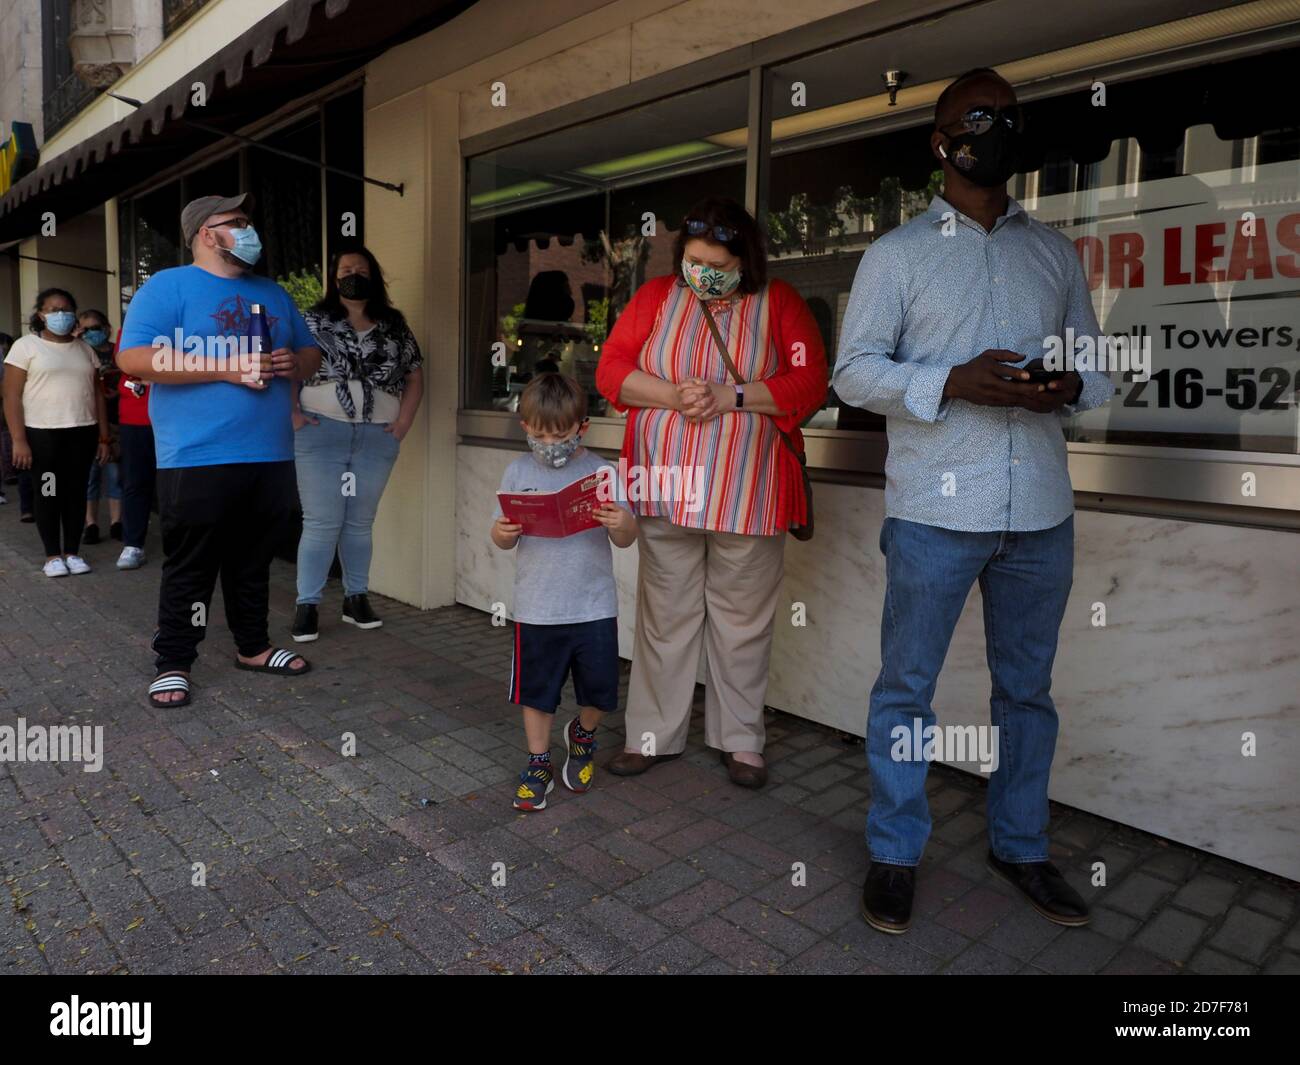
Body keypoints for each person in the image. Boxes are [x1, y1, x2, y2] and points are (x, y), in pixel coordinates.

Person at [833, 68, 1112, 935]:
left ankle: (1020, 843)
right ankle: (895, 848)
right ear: (941, 142)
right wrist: (952, 380)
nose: (992, 130)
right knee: (906, 687)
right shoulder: (897, 255)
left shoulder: (1053, 253)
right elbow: (853, 372)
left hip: (1039, 513)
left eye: (1007, 118)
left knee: (1027, 691)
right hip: (932, 515)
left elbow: (1096, 370)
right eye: (975, 118)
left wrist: (1068, 384)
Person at [595, 196, 827, 789]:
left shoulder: (780, 303)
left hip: (747, 491)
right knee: (664, 619)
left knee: (741, 623)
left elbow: (809, 381)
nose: (702, 271)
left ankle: (741, 741)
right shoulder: (654, 298)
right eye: (693, 260)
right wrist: (674, 395)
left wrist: (733, 396)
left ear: (743, 260)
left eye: (716, 262)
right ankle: (651, 734)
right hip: (666, 485)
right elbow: (611, 369)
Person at [116, 193, 321, 708]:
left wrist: (294, 364)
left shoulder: (272, 292)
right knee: (191, 564)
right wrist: (226, 367)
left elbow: (311, 352)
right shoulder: (167, 287)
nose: (250, 230)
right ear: (207, 234)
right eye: (239, 222)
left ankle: (252, 647)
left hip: (270, 453)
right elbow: (134, 358)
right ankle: (174, 662)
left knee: (254, 560)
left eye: (249, 221)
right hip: (196, 453)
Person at [491, 373, 636, 811]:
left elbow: (627, 538)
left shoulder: (602, 472)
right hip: (537, 608)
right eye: (539, 433)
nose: (549, 442)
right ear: (525, 428)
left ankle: (583, 733)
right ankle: (538, 762)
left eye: (561, 434)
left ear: (582, 428)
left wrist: (621, 523)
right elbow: (501, 539)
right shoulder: (517, 471)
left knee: (601, 690)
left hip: (593, 605)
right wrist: (502, 532)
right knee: (537, 691)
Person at [289, 246, 424, 641]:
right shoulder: (312, 319)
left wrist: (403, 423)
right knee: (320, 521)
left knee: (360, 522)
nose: (353, 274)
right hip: (321, 430)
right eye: (345, 269)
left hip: (376, 434)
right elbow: (290, 367)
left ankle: (356, 597)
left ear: (374, 276)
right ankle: (307, 604)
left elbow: (414, 374)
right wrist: (293, 415)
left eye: (361, 269)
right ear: (334, 278)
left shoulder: (393, 323)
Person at [2, 289, 110, 576]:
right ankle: (52, 556)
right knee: (48, 493)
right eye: (53, 309)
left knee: (76, 494)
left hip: (81, 434)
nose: (60, 314)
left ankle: (72, 552)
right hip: (43, 436)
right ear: (40, 314)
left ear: (74, 314)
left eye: (65, 309)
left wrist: (103, 437)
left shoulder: (85, 349)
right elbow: (11, 396)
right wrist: (19, 440)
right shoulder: (25, 347)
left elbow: (97, 396)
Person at [77, 309, 123, 545]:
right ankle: (91, 524)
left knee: (115, 474)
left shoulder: (119, 351)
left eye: (93, 328)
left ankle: (117, 523)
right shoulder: (79, 352)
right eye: (84, 330)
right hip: (87, 422)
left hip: (117, 422)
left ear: (105, 327)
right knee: (90, 476)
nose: (89, 334)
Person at [114, 326, 155, 570]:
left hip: (178, 419)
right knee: (136, 483)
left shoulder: (182, 329)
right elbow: (131, 365)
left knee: (178, 486)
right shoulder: (133, 328)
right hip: (135, 419)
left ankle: (180, 542)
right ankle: (133, 544)